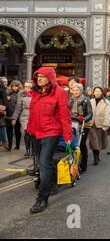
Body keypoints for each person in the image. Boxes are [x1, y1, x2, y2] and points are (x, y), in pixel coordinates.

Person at [27, 67, 72, 213]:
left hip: (51, 132)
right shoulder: (35, 92)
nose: (39, 79)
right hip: (35, 132)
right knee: (43, 162)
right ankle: (52, 184)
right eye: (37, 76)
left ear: (50, 78)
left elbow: (65, 116)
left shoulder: (59, 92)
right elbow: (32, 113)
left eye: (42, 76)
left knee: (44, 164)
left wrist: (68, 137)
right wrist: (28, 130)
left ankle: (42, 199)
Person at [69, 83, 93, 173]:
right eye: (74, 90)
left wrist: (84, 119)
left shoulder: (86, 100)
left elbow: (90, 114)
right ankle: (73, 162)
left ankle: (84, 163)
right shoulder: (70, 99)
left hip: (83, 124)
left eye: (77, 90)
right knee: (72, 143)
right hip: (72, 123)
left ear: (81, 91)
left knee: (81, 143)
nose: (75, 92)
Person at [88, 86, 110, 165]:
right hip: (91, 124)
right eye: (96, 91)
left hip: (101, 124)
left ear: (101, 92)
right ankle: (95, 157)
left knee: (99, 141)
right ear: (93, 93)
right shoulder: (90, 101)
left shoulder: (106, 102)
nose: (97, 93)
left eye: (99, 91)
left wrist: (106, 124)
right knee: (94, 141)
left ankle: (97, 155)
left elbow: (108, 114)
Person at [11, 81, 34, 156]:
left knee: (33, 134)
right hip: (24, 117)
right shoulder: (21, 95)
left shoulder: (36, 95)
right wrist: (14, 118)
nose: (27, 88)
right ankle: (27, 150)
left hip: (34, 116)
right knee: (27, 133)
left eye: (29, 87)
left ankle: (33, 150)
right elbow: (18, 108)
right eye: (26, 86)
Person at [5, 80, 23, 151]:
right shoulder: (8, 93)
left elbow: (20, 106)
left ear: (19, 87)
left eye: (16, 86)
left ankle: (17, 145)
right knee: (8, 131)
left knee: (17, 131)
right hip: (8, 115)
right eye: (13, 86)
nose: (15, 88)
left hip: (17, 116)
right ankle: (9, 146)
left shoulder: (21, 94)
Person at [0, 77, 8, 148]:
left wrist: (4, 109)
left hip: (0, 109)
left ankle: (5, 141)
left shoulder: (2, 88)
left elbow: (4, 99)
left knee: (2, 125)